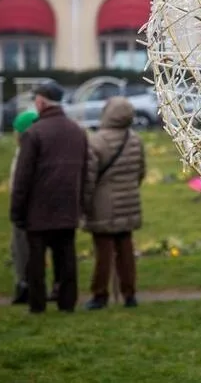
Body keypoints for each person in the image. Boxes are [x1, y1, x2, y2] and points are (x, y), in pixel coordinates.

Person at [9, 82, 91, 313]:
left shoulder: (33, 133)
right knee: (66, 258)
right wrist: (82, 204)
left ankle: (37, 304)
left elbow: (22, 177)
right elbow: (85, 172)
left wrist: (17, 211)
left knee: (36, 261)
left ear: (41, 102)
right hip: (68, 206)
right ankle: (67, 302)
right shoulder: (77, 131)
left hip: (38, 209)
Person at [83, 97, 146, 310]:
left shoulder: (96, 141)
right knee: (126, 251)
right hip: (129, 202)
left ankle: (100, 294)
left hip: (102, 204)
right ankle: (130, 294)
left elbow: (89, 178)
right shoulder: (135, 139)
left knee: (103, 253)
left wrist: (84, 203)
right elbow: (140, 172)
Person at [9, 110, 39, 305]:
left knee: (22, 248)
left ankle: (26, 285)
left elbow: (19, 185)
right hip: (31, 206)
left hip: (26, 208)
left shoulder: (25, 154)